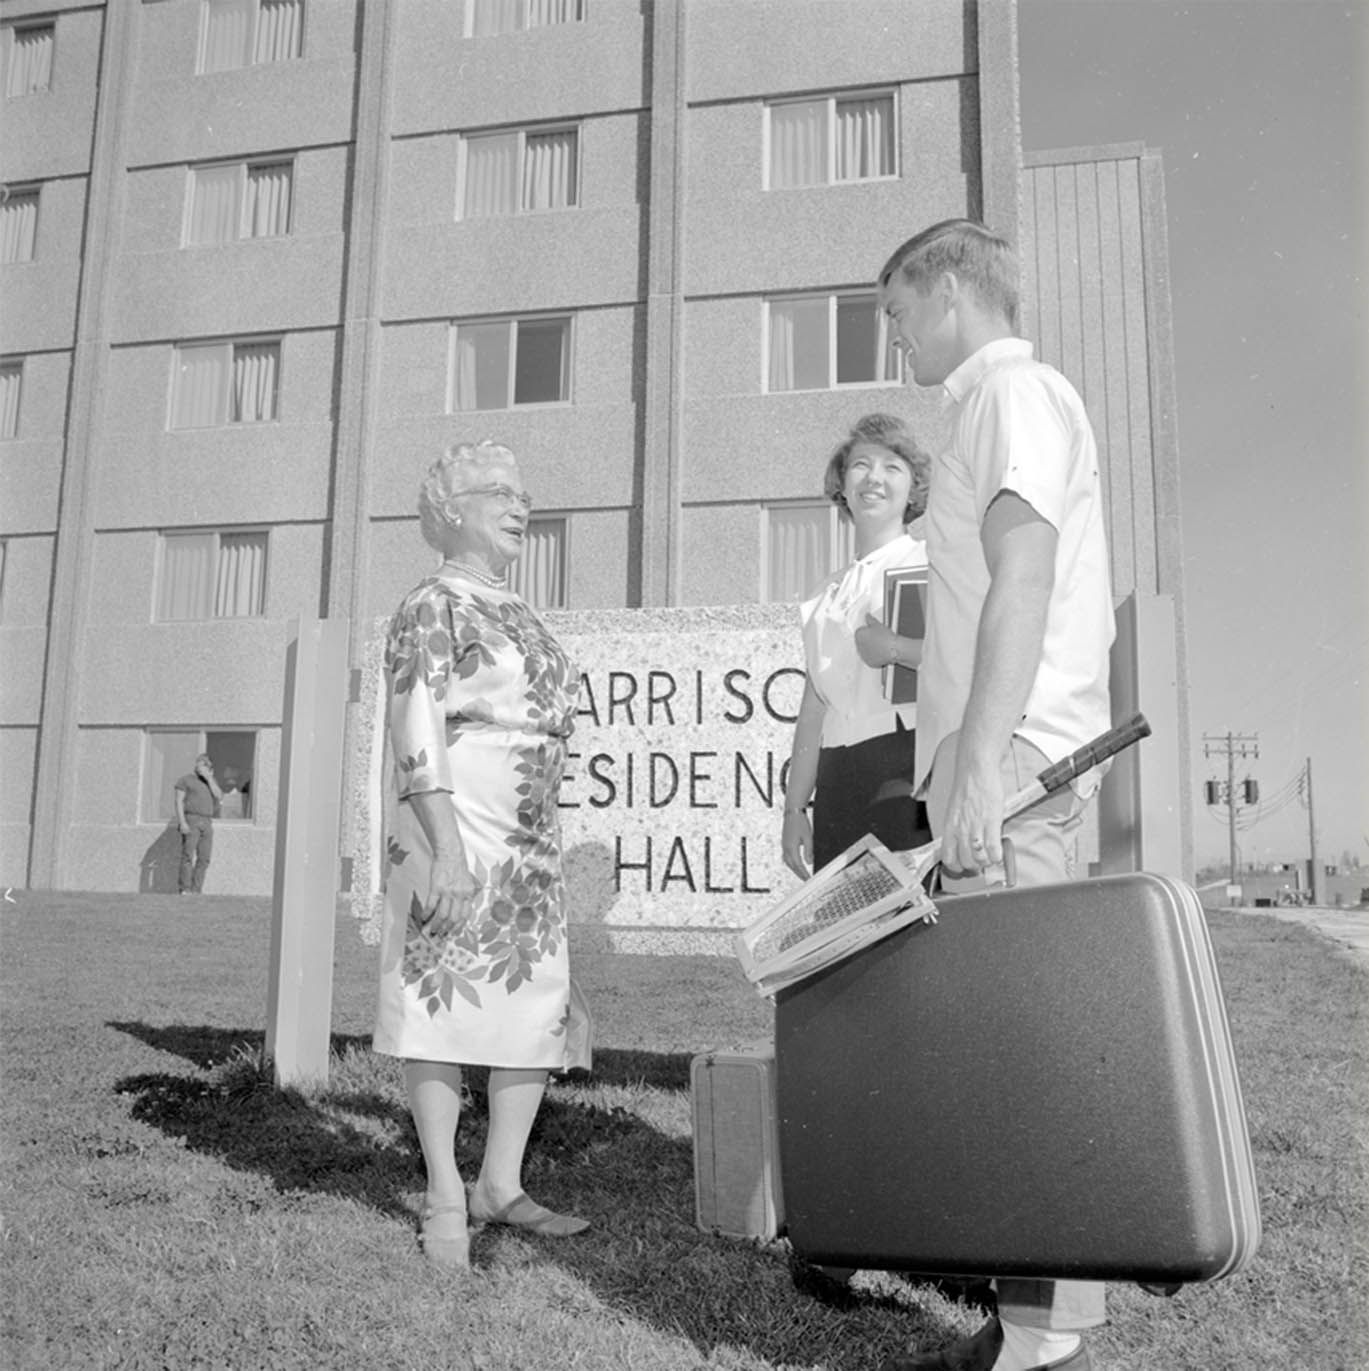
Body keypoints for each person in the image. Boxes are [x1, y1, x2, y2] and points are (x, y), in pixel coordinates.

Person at [873, 220, 1115, 1371]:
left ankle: (1042, 1340)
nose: (894, 336)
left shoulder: (1011, 396)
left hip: (1009, 764)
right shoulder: (984, 409)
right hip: (999, 759)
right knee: (1007, 1042)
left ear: (953, 291)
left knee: (1017, 1045)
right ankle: (1035, 1319)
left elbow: (1022, 577)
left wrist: (975, 767)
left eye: (897, 312)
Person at [373, 439, 589, 1273]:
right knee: (440, 997)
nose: (518, 502)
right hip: (452, 822)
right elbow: (415, 726)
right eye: (497, 490)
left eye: (521, 490)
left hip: (529, 832)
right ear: (450, 510)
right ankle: (442, 1190)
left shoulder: (522, 610)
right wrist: (446, 849)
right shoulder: (432, 602)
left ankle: (502, 1182)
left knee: (532, 1005)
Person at [781, 413, 934, 881]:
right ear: (842, 485)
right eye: (861, 465)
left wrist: (896, 648)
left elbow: (970, 662)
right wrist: (794, 808)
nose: (874, 477)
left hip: (905, 764)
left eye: (892, 467)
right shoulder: (825, 593)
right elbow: (814, 707)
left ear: (913, 489)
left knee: (908, 928)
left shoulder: (932, 563)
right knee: (842, 930)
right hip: (837, 776)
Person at [174, 754, 222, 895]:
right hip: (191, 820)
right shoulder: (185, 780)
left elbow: (219, 796)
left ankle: (196, 890)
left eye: (204, 765)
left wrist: (209, 778)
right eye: (199, 764)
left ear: (209, 768)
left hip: (207, 822)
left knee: (204, 858)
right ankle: (185, 889)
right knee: (188, 856)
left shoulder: (211, 782)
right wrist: (182, 822)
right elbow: (178, 802)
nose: (200, 767)